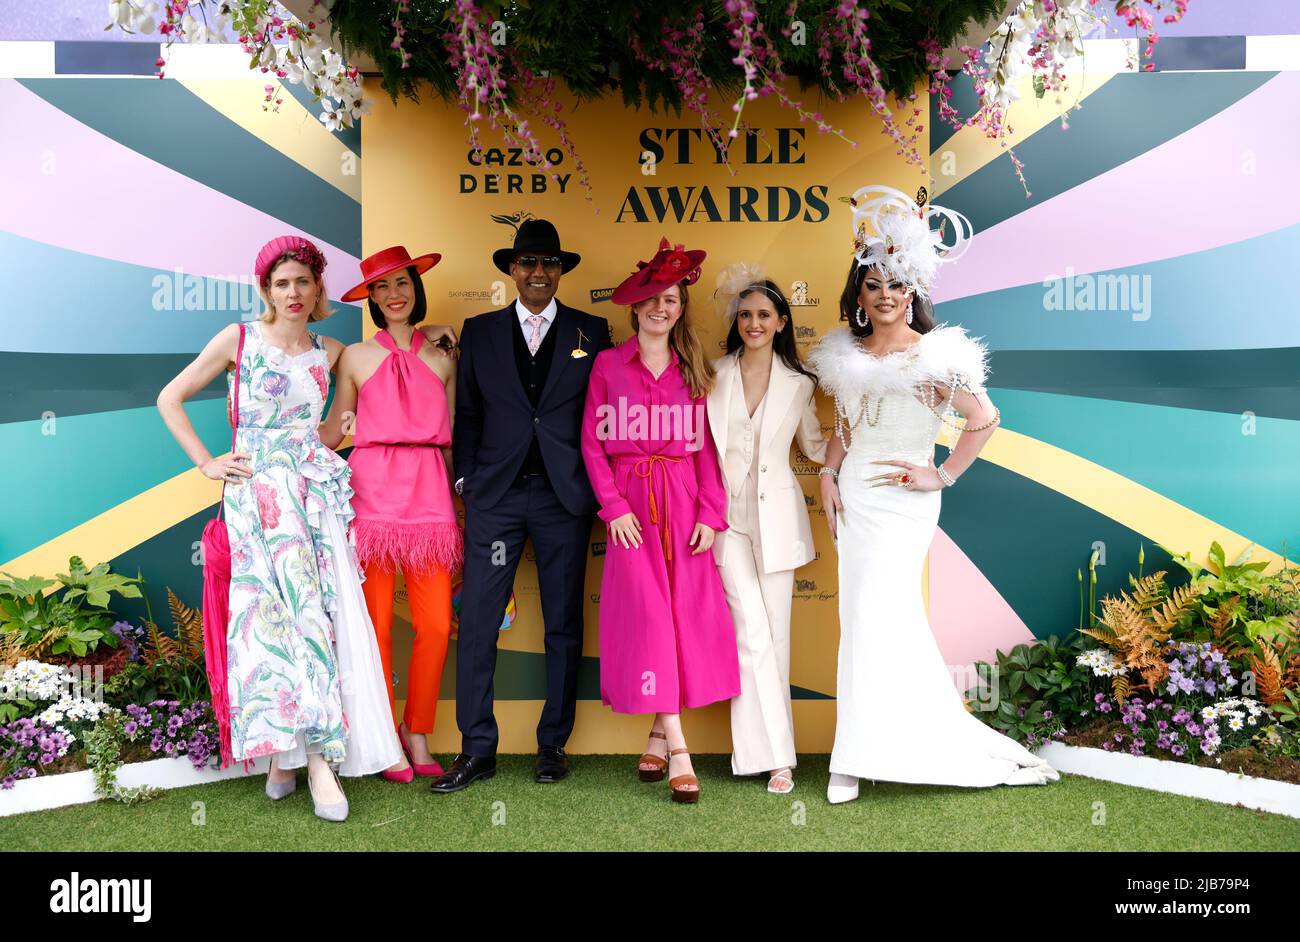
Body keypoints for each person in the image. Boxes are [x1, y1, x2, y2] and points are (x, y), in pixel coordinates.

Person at [807, 186, 1060, 804]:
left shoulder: (934, 358)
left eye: (896, 283)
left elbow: (985, 419)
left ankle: (857, 756)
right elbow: (846, 424)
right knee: (861, 618)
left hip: (904, 503)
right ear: (860, 298)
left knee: (873, 615)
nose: (885, 294)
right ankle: (865, 748)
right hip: (857, 500)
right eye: (873, 285)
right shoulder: (845, 357)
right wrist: (827, 473)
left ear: (912, 291)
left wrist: (940, 474)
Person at [157, 235, 402, 822]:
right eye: (281, 282)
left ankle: (313, 758)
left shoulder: (333, 350)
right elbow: (170, 397)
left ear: (319, 288)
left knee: (316, 618)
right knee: (267, 627)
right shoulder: (238, 340)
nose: (293, 292)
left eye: (303, 281)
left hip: (313, 496)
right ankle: (284, 754)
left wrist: (342, 427)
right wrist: (207, 462)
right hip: (254, 499)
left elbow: (350, 406)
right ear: (266, 289)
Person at [432, 219, 613, 793]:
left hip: (565, 498)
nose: (539, 273)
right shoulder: (479, 331)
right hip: (498, 497)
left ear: (561, 270)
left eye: (549, 263)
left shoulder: (592, 330)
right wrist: (466, 481)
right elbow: (468, 415)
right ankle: (476, 748)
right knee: (480, 619)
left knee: (563, 622)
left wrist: (594, 487)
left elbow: (601, 416)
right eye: (528, 263)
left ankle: (552, 744)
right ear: (512, 269)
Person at [581, 238, 740, 804]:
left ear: (680, 307)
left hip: (682, 500)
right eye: (652, 298)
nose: (660, 308)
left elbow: (706, 451)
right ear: (635, 307)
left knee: (678, 619)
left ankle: (654, 733)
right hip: (631, 506)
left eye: (671, 299)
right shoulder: (606, 364)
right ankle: (678, 748)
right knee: (647, 617)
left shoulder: (692, 367)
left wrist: (711, 512)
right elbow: (593, 445)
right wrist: (614, 506)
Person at [320, 246, 462, 784]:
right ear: (371, 298)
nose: (394, 294)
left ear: (415, 287)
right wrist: (276, 440)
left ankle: (416, 731)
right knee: (374, 628)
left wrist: (462, 501)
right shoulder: (354, 356)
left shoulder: (447, 353)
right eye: (382, 287)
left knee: (435, 623)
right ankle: (383, 742)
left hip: (429, 494)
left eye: (401, 282)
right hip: (371, 493)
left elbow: (453, 439)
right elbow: (336, 429)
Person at [706, 264, 826, 795]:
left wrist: (867, 449)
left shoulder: (801, 385)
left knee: (775, 640)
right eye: (746, 314)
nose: (754, 323)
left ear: (781, 322)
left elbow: (818, 448)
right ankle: (774, 755)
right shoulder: (710, 374)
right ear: (738, 321)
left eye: (764, 315)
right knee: (750, 634)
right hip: (723, 522)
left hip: (778, 521)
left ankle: (776, 758)